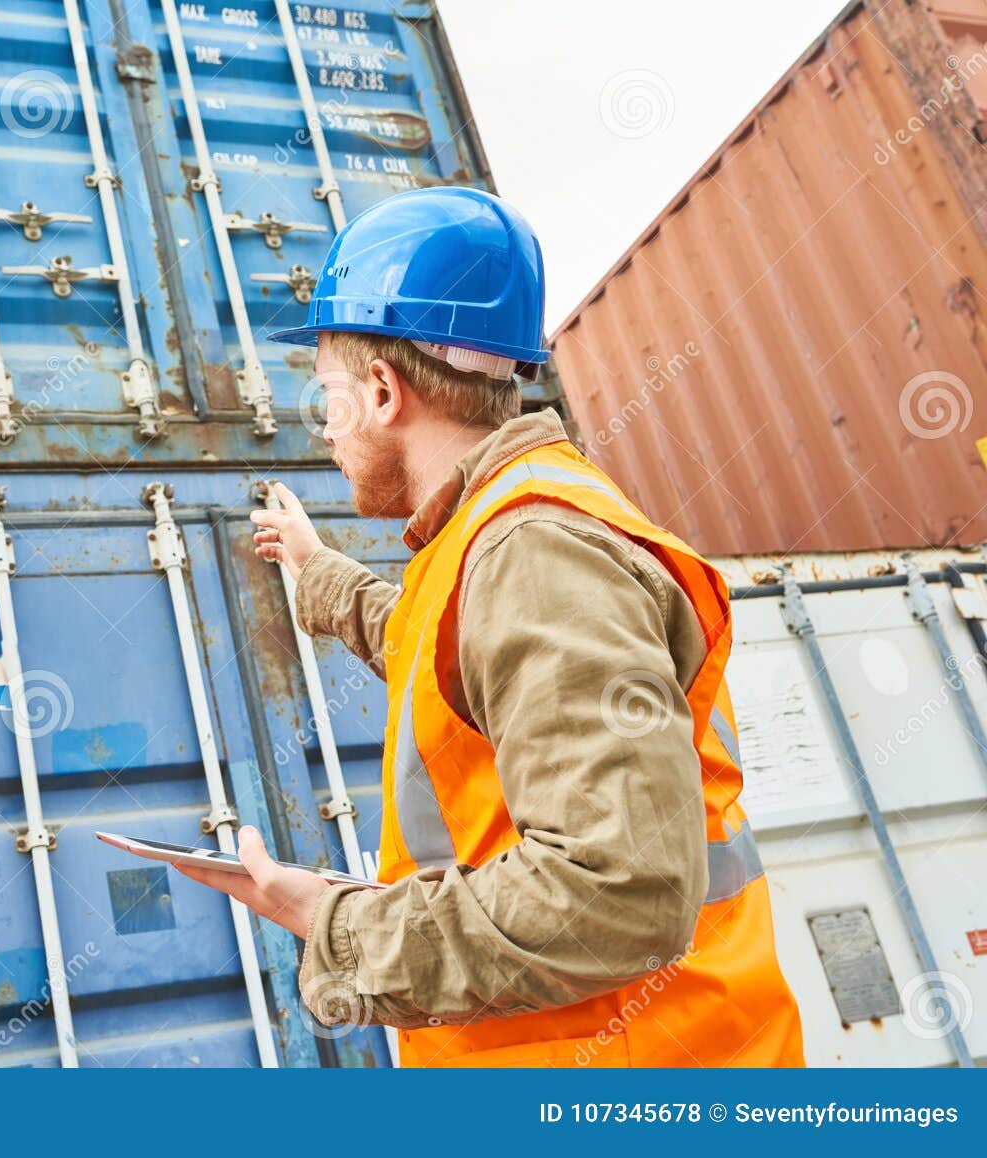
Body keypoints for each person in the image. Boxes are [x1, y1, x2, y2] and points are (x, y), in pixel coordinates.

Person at [179, 186, 804, 1068]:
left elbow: (617, 891)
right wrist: (318, 572)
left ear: (386, 391)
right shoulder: (496, 530)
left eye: (328, 393)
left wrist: (342, 928)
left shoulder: (533, 546)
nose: (323, 427)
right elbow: (446, 656)